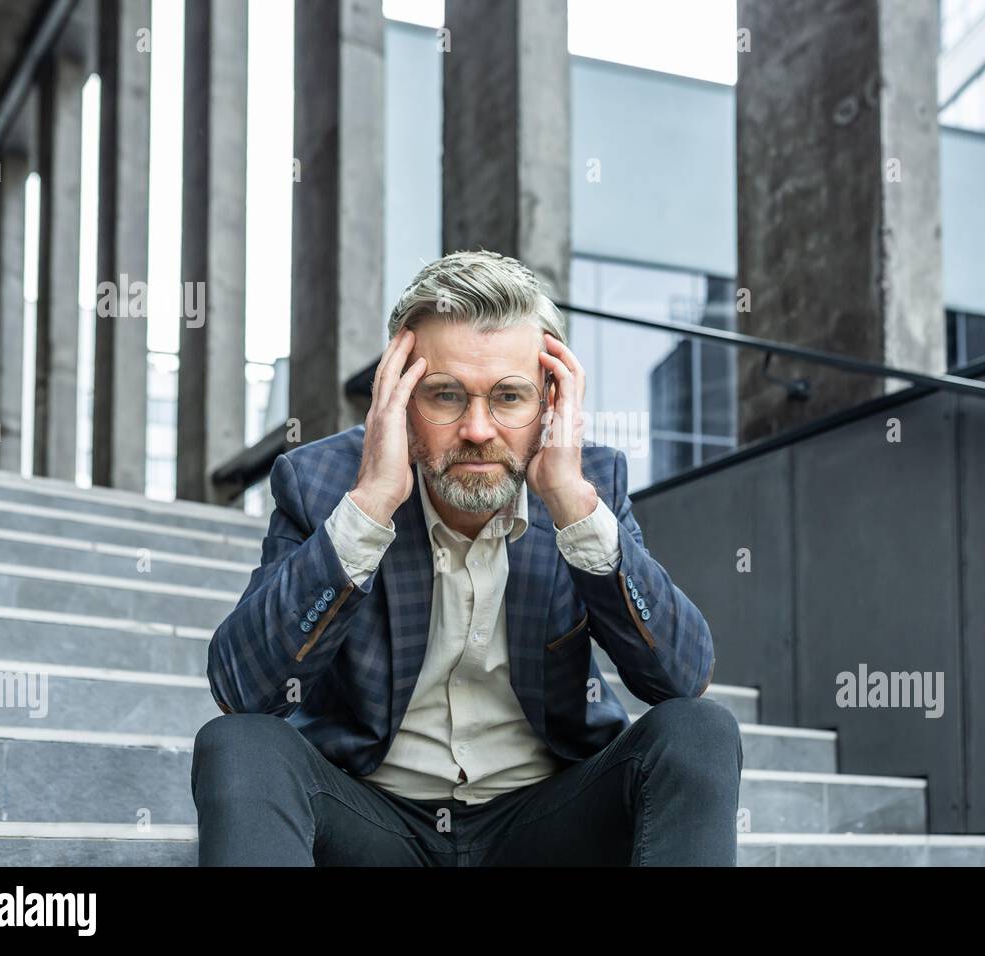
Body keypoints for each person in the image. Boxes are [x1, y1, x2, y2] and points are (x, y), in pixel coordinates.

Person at [191, 249, 741, 865]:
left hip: (545, 823)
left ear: (550, 402)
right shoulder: (321, 482)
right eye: (446, 396)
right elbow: (243, 691)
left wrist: (574, 508)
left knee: (701, 731)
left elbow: (681, 678)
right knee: (238, 743)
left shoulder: (587, 482)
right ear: (397, 397)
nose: (478, 429)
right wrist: (369, 507)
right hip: (376, 821)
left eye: (509, 397)